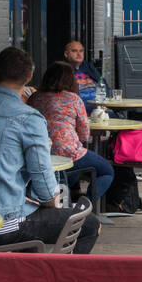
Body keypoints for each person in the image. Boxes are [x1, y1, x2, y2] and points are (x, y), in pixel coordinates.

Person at [0, 47, 101, 253]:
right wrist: (50, 202)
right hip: (2, 225)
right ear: (30, 76)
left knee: (34, 221)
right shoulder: (29, 118)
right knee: (89, 224)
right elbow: (45, 185)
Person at [29, 61, 114, 205]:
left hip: (41, 154)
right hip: (69, 153)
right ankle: (84, 206)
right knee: (106, 171)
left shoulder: (35, 98)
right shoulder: (73, 99)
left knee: (69, 171)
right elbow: (84, 134)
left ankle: (70, 197)